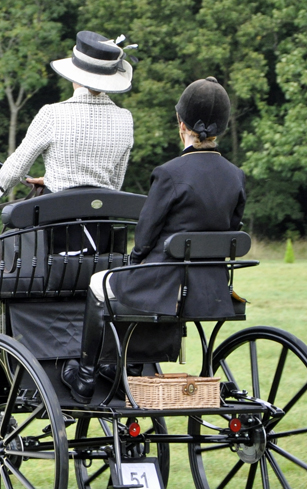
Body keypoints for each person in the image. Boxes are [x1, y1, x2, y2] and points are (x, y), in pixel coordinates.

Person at [62, 76, 247, 403]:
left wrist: (134, 261)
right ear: (222, 127)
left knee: (99, 282)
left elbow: (145, 236)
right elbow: (231, 229)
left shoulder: (170, 173)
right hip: (212, 290)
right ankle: (125, 367)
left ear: (182, 125)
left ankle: (86, 377)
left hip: (166, 287)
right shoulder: (236, 176)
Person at [0, 31, 136, 198]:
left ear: (75, 74)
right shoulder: (125, 118)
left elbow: (19, 163)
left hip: (56, 217)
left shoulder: (52, 114)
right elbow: (115, 182)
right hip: (99, 216)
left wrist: (1, 181)